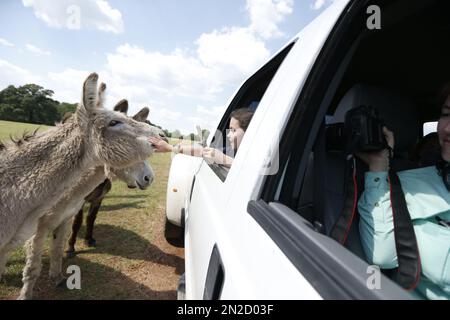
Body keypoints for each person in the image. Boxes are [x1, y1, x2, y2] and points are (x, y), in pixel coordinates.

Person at [357, 83, 450, 300]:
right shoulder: (409, 184)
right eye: (446, 114)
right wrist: (378, 167)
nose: (446, 129)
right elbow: (382, 253)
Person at [149, 108, 254, 168]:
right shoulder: (231, 151)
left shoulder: (257, 159)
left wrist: (224, 159)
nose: (228, 134)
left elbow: (252, 171)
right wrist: (170, 147)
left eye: (233, 130)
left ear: (249, 132)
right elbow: (201, 151)